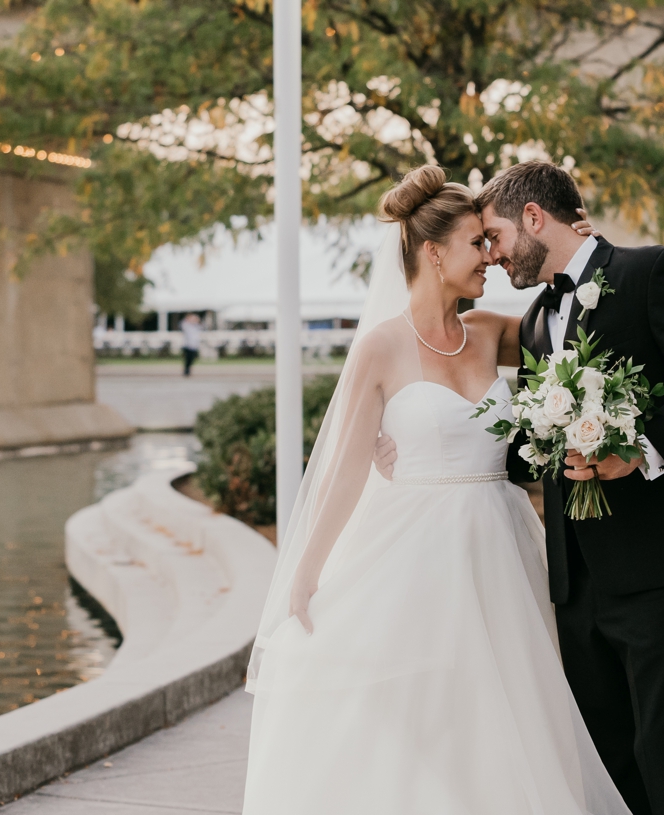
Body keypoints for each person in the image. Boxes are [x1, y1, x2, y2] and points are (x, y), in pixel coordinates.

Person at [242, 166, 630, 814]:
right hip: (415, 553)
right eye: (477, 243)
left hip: (502, 547)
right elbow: (345, 470)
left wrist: (578, 244)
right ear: (433, 252)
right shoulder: (380, 348)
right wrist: (306, 571)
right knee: (424, 715)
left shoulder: (494, 331)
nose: (491, 257)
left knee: (509, 709)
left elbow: (574, 318)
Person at [377, 161, 664, 815]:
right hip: (573, 583)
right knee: (605, 761)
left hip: (659, 567)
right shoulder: (537, 319)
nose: (492, 255)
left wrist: (640, 450)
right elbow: (534, 443)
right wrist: (422, 451)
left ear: (533, 218)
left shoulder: (652, 271)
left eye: (494, 237)